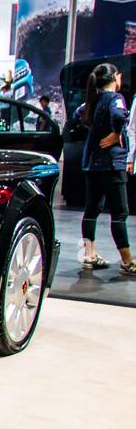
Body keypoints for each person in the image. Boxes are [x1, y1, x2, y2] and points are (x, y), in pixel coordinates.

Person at [73, 62, 134, 275]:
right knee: (120, 212)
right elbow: (119, 116)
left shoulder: (92, 100)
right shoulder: (116, 98)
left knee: (91, 211)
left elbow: (77, 116)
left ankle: (89, 256)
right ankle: (127, 261)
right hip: (111, 163)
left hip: (91, 163)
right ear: (115, 78)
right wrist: (117, 133)